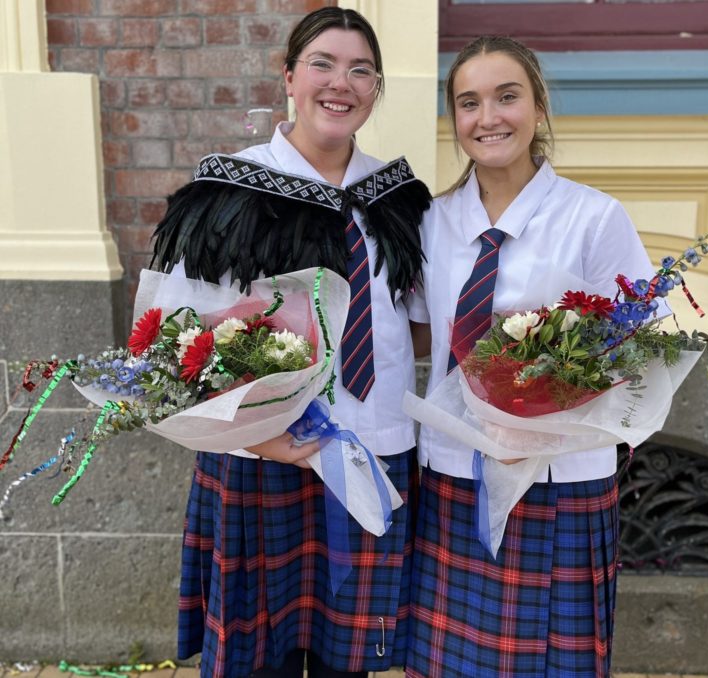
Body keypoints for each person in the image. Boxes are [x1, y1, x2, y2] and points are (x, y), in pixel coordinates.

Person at [151, 8, 430, 678]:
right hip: (263, 459)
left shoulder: (397, 197)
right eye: (323, 64)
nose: (342, 83)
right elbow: (172, 339)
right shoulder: (229, 190)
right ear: (289, 76)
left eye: (361, 70)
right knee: (258, 660)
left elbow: (417, 321)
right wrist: (258, 433)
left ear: (377, 88)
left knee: (351, 664)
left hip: (372, 452)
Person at [406, 36, 659, 677]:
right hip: (451, 476)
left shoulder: (596, 220)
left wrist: (542, 424)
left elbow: (636, 353)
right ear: (455, 121)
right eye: (469, 103)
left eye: (506, 96)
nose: (488, 117)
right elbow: (415, 338)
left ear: (539, 108)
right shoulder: (431, 225)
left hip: (557, 484)